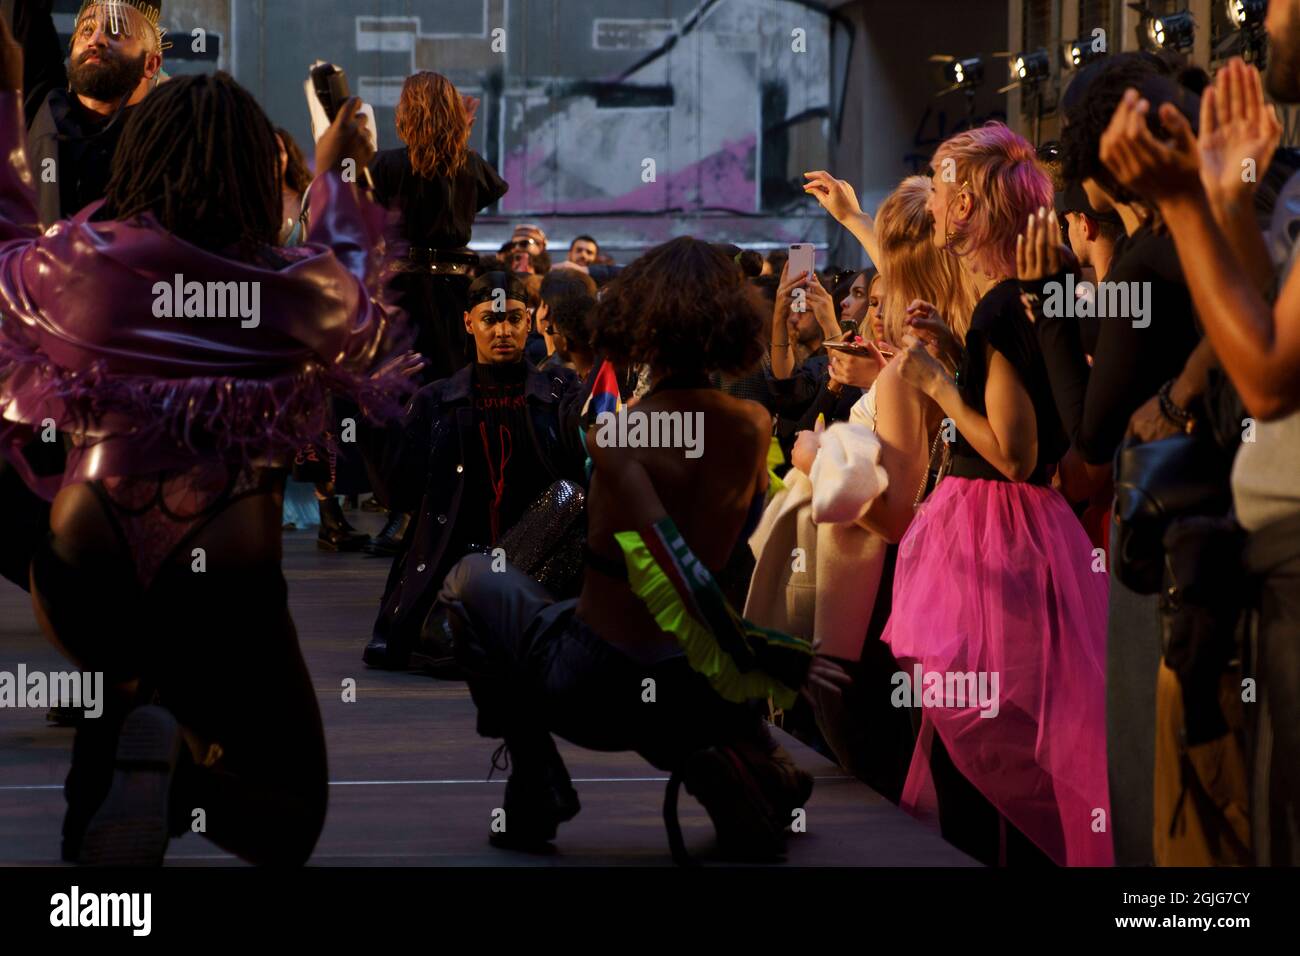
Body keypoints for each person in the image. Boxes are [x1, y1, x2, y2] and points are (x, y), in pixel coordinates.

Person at [0, 22, 415, 866]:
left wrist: (1, 100)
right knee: (284, 816)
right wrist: (337, 171)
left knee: (117, 724)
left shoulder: (80, 263)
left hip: (87, 561)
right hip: (220, 563)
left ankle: (130, 780)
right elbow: (364, 308)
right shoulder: (295, 292)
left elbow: (3, 247)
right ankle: (176, 777)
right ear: (250, 175)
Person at [434, 237, 849, 859]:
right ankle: (730, 757)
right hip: (694, 681)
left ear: (637, 325)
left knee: (469, 580)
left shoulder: (619, 433)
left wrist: (768, 652)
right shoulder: (751, 426)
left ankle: (537, 779)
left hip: (595, 681)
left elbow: (663, 556)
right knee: (685, 689)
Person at [883, 124, 1111, 866]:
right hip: (1021, 532)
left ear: (973, 206)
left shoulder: (1003, 307)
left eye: (946, 193)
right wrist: (958, 355)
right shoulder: (1022, 302)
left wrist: (937, 384)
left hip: (997, 533)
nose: (937, 206)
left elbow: (1015, 454)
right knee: (1016, 728)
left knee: (994, 737)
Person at [1100, 15, 1300, 863]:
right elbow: (1271, 323)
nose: (1268, 19)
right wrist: (1220, 201)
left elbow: (1266, 376)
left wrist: (1185, 205)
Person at [362, 272, 588, 671]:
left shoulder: (559, 390)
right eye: (490, 320)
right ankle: (464, 618)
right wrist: (376, 414)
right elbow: (397, 494)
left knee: (570, 495)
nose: (503, 330)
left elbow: (591, 459)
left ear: (530, 320)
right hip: (455, 564)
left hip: (537, 565)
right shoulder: (435, 400)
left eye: (514, 319)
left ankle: (479, 621)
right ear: (469, 323)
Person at [369, 71, 505, 383]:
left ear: (407, 112)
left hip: (401, 295)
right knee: (456, 383)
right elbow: (445, 174)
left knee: (407, 385)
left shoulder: (383, 167)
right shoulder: (473, 166)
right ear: (453, 112)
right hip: (456, 294)